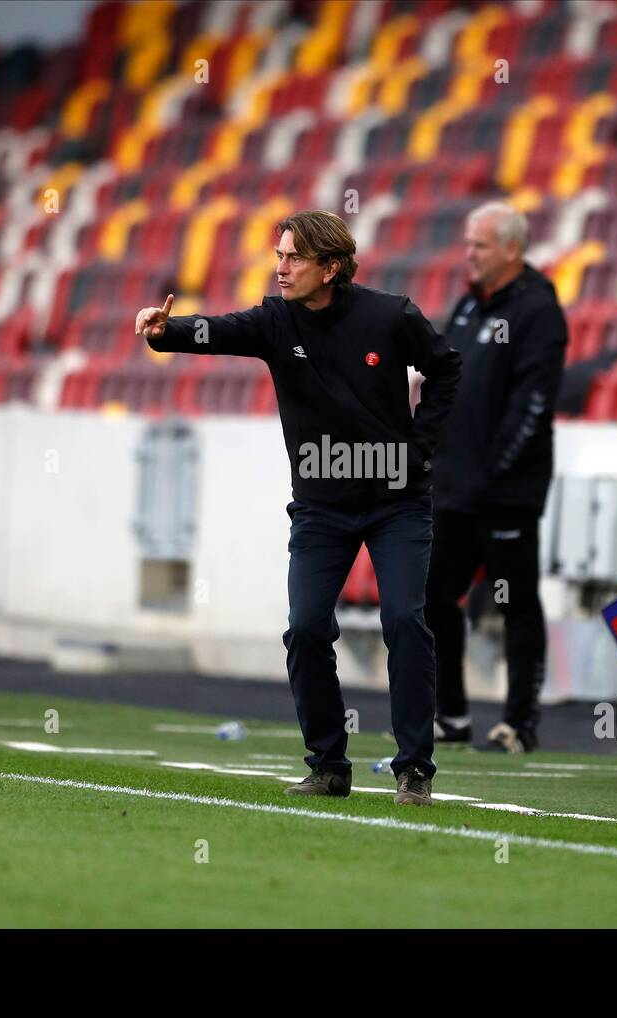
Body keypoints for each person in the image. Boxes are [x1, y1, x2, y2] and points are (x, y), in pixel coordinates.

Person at [138, 210, 461, 805]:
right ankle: (329, 766)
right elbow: (219, 330)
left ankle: (415, 768)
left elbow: (447, 368)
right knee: (307, 628)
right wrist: (166, 331)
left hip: (397, 505)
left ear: (330, 267)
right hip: (321, 507)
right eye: (278, 255)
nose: (280, 267)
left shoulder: (391, 316)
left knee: (404, 623)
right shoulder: (274, 319)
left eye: (293, 258)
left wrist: (419, 447)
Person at [425, 202, 568, 753]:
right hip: (454, 486)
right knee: (435, 596)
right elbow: (445, 377)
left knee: (516, 603)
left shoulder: (538, 312)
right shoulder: (468, 307)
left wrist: (493, 472)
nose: (469, 255)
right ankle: (451, 714)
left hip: (507, 493)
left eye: (479, 245)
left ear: (512, 248)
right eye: (467, 244)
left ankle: (519, 723)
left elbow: (533, 406)